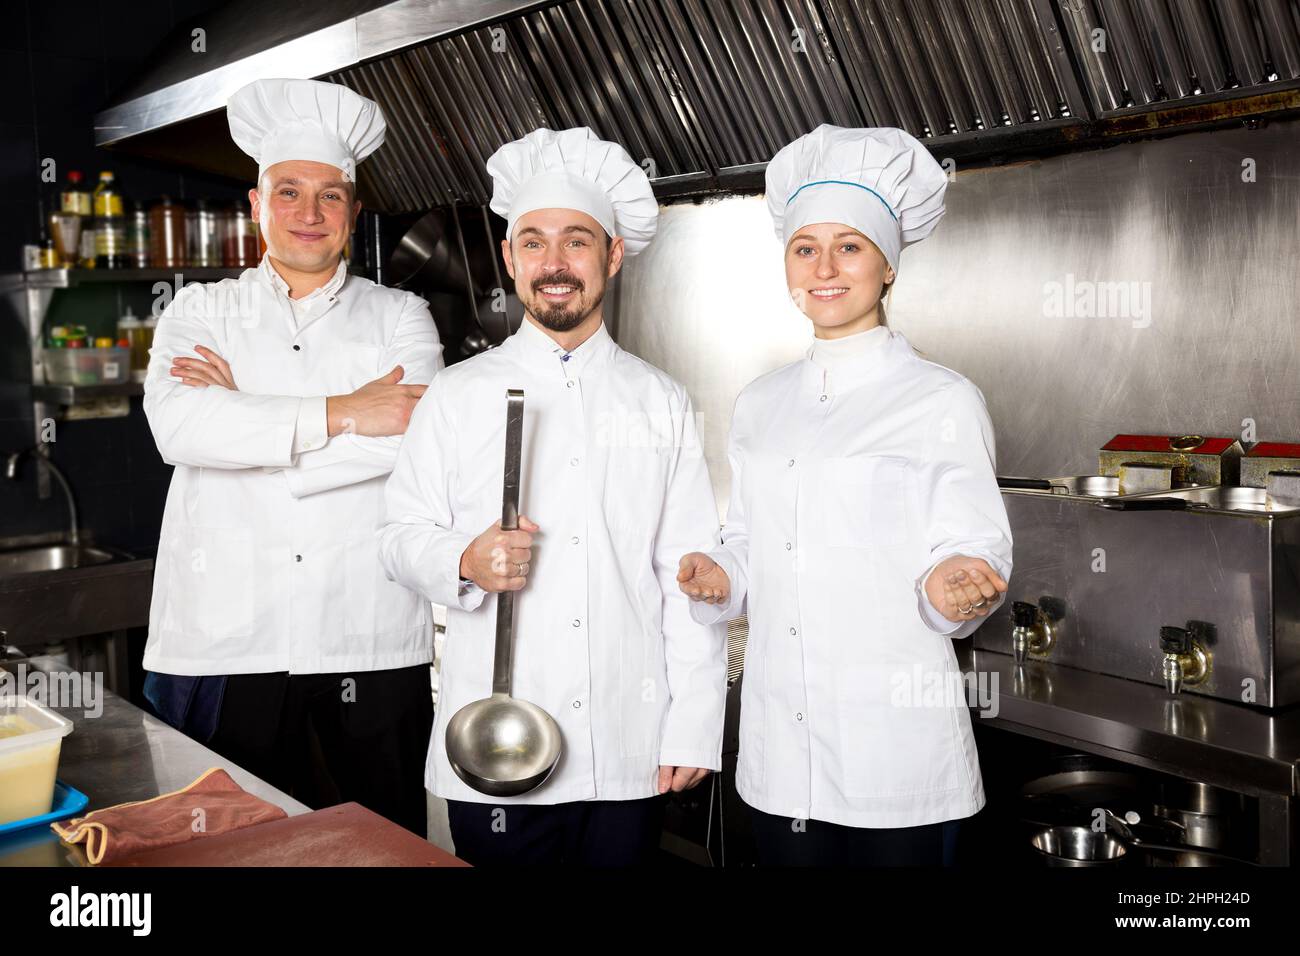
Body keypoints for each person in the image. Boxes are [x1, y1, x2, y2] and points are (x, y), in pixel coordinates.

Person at [378, 127, 726, 866]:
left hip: (625, 745)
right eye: (533, 242)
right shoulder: (456, 394)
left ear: (613, 254)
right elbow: (398, 538)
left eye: (576, 240)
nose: (555, 263)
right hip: (499, 743)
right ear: (510, 258)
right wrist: (465, 559)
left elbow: (688, 573)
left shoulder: (661, 400)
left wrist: (694, 721)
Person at [678, 125, 1013, 866]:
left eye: (850, 246)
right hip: (781, 759)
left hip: (896, 762)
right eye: (805, 248)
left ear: (887, 266)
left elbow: (971, 550)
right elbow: (752, 541)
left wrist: (953, 584)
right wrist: (722, 574)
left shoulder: (942, 400)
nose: (824, 267)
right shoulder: (761, 402)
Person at [141, 78, 442, 836]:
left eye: (331, 196)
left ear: (354, 213)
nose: (310, 213)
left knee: (384, 848)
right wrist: (344, 412)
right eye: (288, 192)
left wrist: (247, 429)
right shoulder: (198, 310)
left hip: (368, 639)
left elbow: (420, 436)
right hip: (225, 641)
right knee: (227, 853)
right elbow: (180, 430)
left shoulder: (403, 314)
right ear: (255, 205)